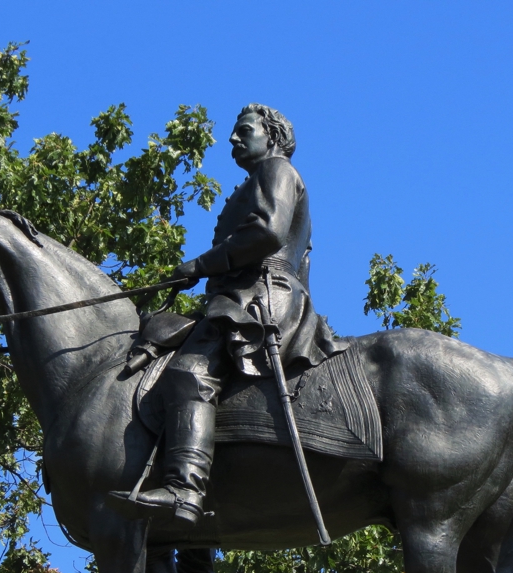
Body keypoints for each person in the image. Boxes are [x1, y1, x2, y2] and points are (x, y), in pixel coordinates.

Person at [109, 104, 346, 525]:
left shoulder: (276, 170)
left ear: (272, 137)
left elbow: (268, 232)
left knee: (189, 372)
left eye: (244, 130)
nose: (233, 139)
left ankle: (185, 489)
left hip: (260, 294)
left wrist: (202, 265)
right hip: (250, 293)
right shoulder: (258, 180)